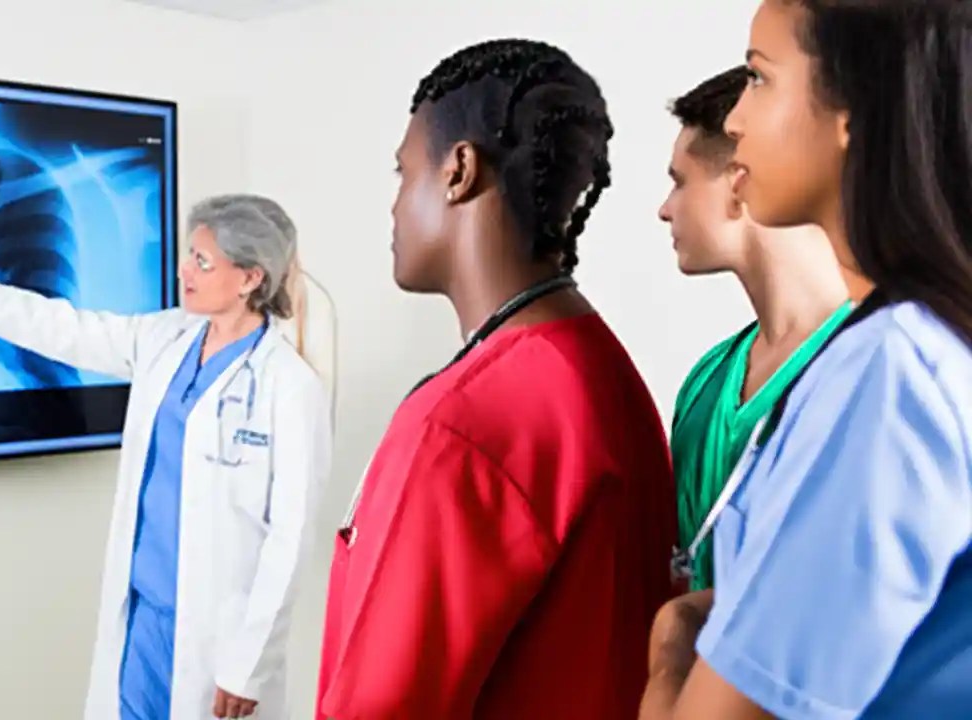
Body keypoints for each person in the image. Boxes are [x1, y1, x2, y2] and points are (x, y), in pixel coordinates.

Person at [317, 38, 676, 719]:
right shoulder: (602, 367)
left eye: (403, 174)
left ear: (458, 170)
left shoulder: (461, 421)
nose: (394, 207)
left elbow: (381, 704)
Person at [0, 193, 332, 720]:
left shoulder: (291, 387)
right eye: (188, 253)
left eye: (202, 261)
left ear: (251, 278)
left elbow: (291, 538)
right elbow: (60, 326)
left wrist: (250, 664)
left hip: (217, 635)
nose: (184, 269)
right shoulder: (165, 338)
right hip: (140, 616)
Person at [641, 1, 972, 718]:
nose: (732, 123)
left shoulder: (889, 379)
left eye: (760, 80)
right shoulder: (922, 348)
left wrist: (672, 646)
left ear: (851, 113)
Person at [658, 66, 849, 592]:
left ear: (739, 183)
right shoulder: (707, 381)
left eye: (679, 181)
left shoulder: (869, 364)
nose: (664, 210)